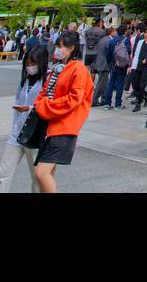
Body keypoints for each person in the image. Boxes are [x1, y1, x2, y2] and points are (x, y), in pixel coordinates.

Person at [31, 30, 92, 192]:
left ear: (71, 48)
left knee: (41, 173)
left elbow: (74, 99)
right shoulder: (59, 67)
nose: (58, 49)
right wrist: (41, 104)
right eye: (57, 46)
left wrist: (46, 106)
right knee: (48, 172)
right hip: (49, 124)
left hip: (64, 125)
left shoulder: (78, 69)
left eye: (61, 46)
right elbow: (44, 91)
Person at [0, 45, 49, 192]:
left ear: (41, 63)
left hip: (35, 135)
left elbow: (50, 106)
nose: (30, 67)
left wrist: (30, 108)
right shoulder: (25, 80)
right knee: (3, 174)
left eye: (33, 64)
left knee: (37, 178)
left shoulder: (48, 80)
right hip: (17, 132)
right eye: (27, 64)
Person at [130, 27, 147, 112]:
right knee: (134, 83)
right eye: (145, 32)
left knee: (142, 85)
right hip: (137, 65)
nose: (146, 34)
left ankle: (139, 102)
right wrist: (132, 65)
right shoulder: (140, 42)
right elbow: (136, 53)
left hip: (146, 67)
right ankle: (143, 95)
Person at [92, 26, 115, 107]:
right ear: (111, 32)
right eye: (114, 32)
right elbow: (110, 53)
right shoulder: (109, 41)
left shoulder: (102, 39)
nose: (115, 33)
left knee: (104, 83)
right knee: (101, 83)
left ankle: (103, 99)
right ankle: (94, 100)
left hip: (100, 63)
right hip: (104, 64)